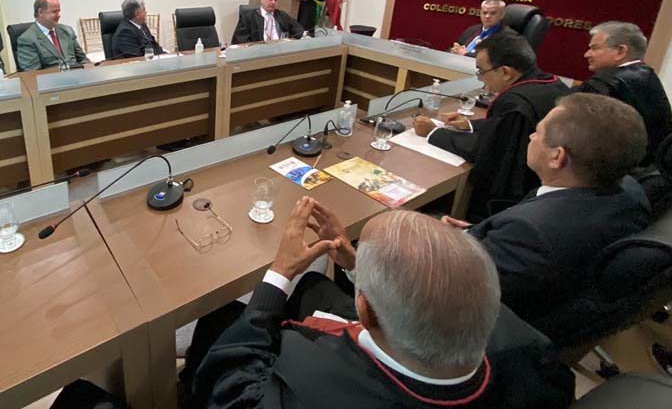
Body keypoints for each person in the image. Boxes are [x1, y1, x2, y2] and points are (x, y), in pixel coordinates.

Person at [191, 202, 575, 409]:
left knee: (219, 319)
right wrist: (357, 263)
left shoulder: (303, 392)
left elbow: (229, 385)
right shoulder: (537, 357)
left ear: (365, 312)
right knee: (312, 284)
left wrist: (278, 274)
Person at [444, 93, 652, 341]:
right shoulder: (631, 192)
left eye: (539, 132)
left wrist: (447, 243)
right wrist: (480, 234)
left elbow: (452, 296)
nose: (531, 136)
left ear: (558, 157)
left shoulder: (529, 232)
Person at [413, 31, 569, 220]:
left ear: (505, 72)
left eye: (481, 71)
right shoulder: (551, 83)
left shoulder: (514, 102)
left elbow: (486, 150)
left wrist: (434, 132)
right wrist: (469, 125)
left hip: (506, 200)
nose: (480, 78)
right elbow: (503, 129)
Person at [574, 21, 672, 165]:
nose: (586, 54)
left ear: (621, 51)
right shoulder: (647, 76)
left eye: (594, 48)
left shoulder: (605, 84)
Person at [16, 0, 89, 71]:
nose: (59, 15)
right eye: (54, 12)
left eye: (59, 11)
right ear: (40, 12)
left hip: (78, 78)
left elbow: (83, 60)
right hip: (51, 81)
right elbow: (33, 74)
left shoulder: (67, 31)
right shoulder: (27, 39)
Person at [232, 0, 305, 44]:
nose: (273, 2)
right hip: (259, 53)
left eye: (275, 0)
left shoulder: (282, 15)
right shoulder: (248, 17)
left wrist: (305, 36)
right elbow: (241, 41)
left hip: (280, 49)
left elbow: (298, 30)